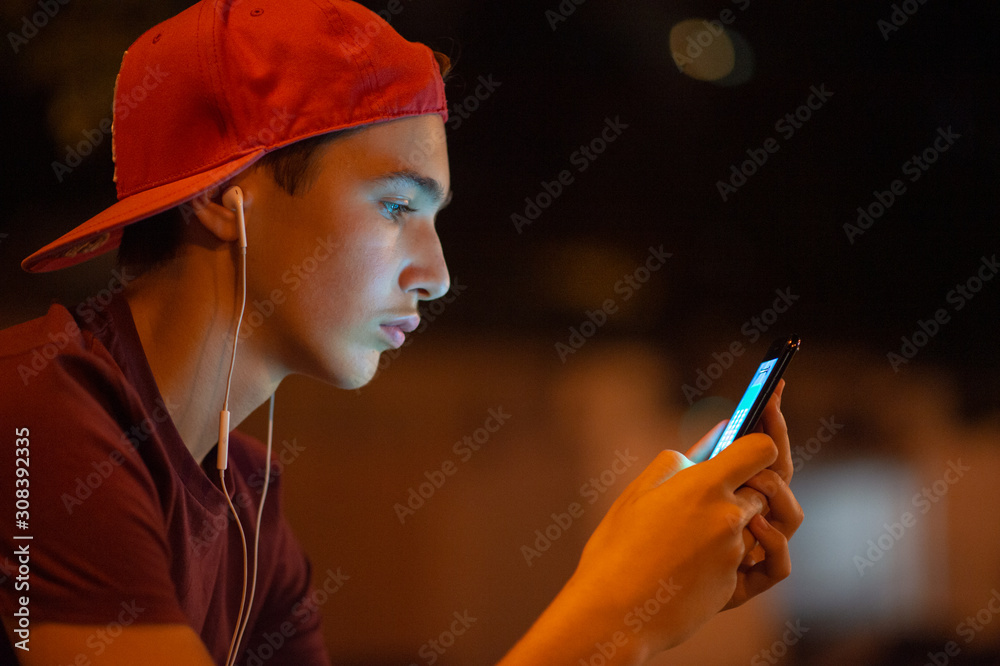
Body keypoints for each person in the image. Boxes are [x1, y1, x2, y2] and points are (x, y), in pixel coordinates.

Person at [0, 0, 803, 664]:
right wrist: (620, 615)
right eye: (396, 208)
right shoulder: (34, 422)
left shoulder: (245, 504)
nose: (438, 273)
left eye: (434, 217)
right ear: (225, 196)